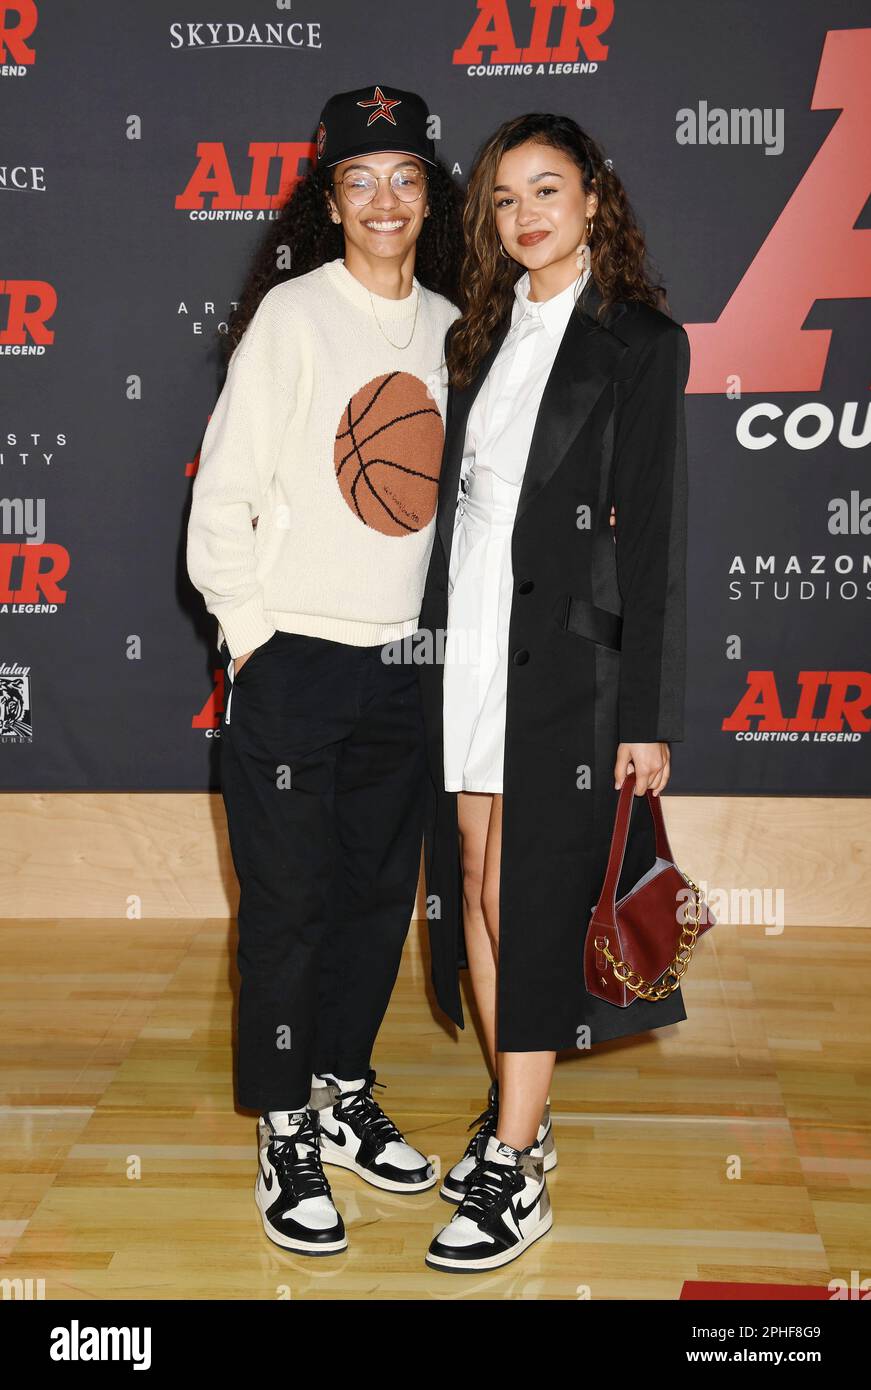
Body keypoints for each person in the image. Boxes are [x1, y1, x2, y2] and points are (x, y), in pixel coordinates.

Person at [186, 84, 462, 1256]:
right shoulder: (295, 318)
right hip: (295, 660)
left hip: (404, 669)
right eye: (360, 179)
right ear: (330, 196)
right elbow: (225, 499)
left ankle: (342, 1088)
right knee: (289, 910)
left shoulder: (456, 326)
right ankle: (287, 1128)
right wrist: (255, 637)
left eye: (404, 176)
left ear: (430, 195)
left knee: (369, 902)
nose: (384, 199)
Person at [416, 112, 692, 1272]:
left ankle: (518, 1164)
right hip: (466, 641)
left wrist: (647, 715)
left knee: (512, 893)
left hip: (564, 661)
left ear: (593, 201)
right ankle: (509, 1105)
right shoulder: (476, 336)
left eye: (548, 190)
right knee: (475, 894)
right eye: (504, 198)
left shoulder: (638, 341)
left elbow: (657, 538)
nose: (525, 215)